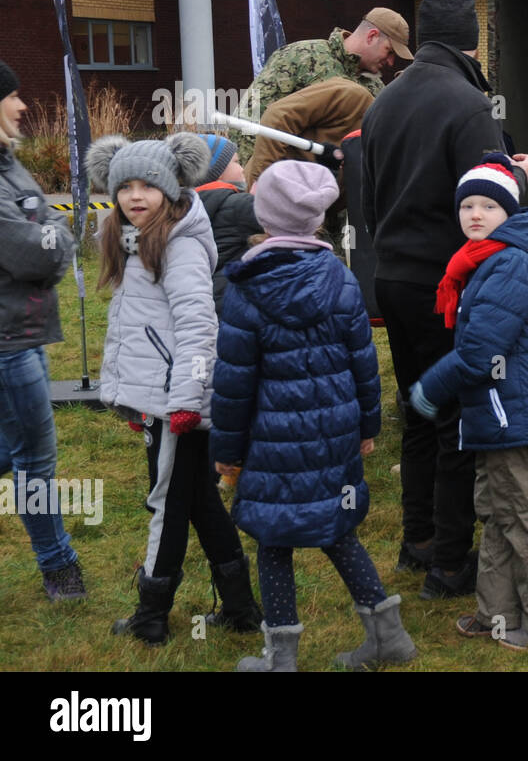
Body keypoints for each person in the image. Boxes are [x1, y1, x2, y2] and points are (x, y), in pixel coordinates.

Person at [211, 160, 415, 672]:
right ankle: (388, 635)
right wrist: (368, 426)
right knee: (336, 530)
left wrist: (227, 452)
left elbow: (233, 383)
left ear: (262, 216)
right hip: (334, 433)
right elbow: (364, 361)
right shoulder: (341, 278)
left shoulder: (245, 288)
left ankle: (280, 657)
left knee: (273, 539)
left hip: (270, 440)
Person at [361, 0, 528, 594]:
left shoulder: (383, 101)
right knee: (455, 418)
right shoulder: (469, 104)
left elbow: (370, 201)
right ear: (472, 44)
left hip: (392, 278)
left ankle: (420, 541)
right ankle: (451, 564)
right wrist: (517, 176)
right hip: (446, 284)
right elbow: (487, 206)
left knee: (417, 410)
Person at [88, 132, 261, 645]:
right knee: (200, 499)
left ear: (170, 188)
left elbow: (198, 327)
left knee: (166, 503)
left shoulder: (178, 245)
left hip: (179, 401)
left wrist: (184, 400)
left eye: (147, 186)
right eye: (125, 187)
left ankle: (151, 615)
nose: (135, 196)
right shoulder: (133, 238)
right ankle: (241, 609)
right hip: (162, 398)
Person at [409, 155, 528, 651]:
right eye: (467, 206)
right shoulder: (485, 260)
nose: (476, 214)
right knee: (496, 509)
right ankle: (498, 612)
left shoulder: (508, 264)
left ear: (509, 211)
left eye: (488, 205)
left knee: (523, 512)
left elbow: (482, 352)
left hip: (513, 413)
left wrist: (430, 388)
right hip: (495, 412)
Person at [0, 61, 86, 601]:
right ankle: (59, 569)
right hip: (9, 341)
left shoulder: (8, 164)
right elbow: (29, 250)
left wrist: (52, 236)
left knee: (13, 450)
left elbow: (51, 225)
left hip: (23, 331)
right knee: (34, 459)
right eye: (12, 96)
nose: (22, 105)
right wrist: (56, 241)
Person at [236, 7, 411, 125]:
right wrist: (250, 169)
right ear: (372, 36)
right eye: (389, 51)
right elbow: (250, 116)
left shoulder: (375, 87)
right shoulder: (300, 56)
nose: (391, 62)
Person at [244, 77, 375, 189]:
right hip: (264, 197)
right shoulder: (354, 98)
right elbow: (277, 117)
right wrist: (261, 184)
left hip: (307, 204)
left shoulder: (379, 147)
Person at [195, 134, 262, 317]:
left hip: (204, 301)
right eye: (236, 162)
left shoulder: (188, 206)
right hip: (235, 303)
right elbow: (292, 218)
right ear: (216, 170)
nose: (242, 169)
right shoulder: (239, 205)